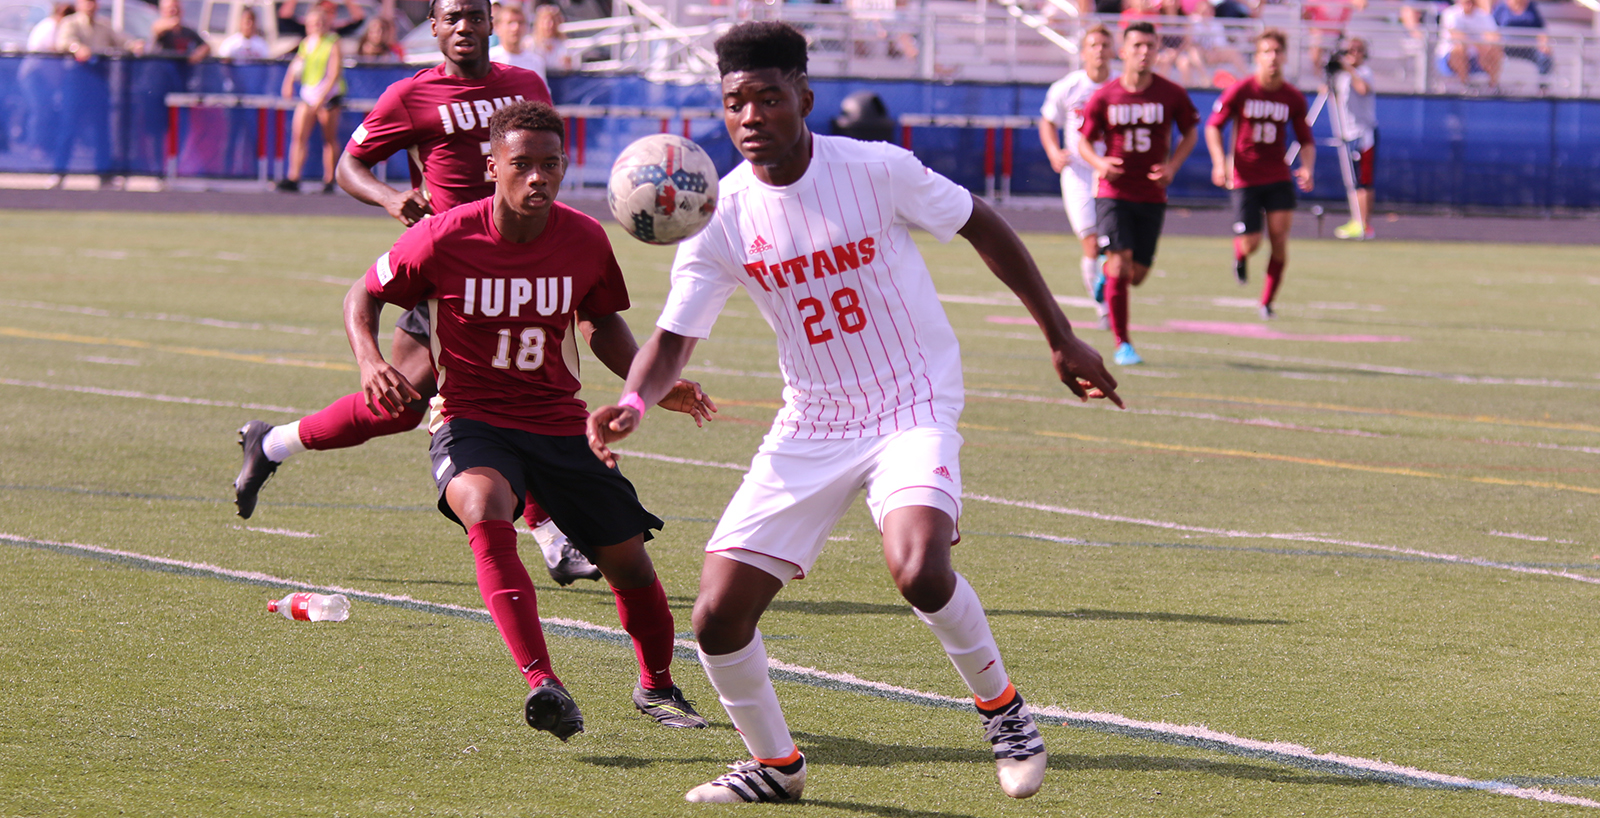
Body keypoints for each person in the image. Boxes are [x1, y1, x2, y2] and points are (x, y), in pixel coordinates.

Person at [586, 20, 1124, 804]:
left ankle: (1005, 712)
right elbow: (671, 339)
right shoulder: (720, 215)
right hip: (812, 419)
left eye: (769, 98)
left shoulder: (875, 170)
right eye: (736, 102)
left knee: (916, 566)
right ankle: (776, 766)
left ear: (804, 97)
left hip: (912, 399)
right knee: (716, 617)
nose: (751, 117)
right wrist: (636, 398)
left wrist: (1062, 334)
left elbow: (982, 222)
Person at [350, 99, 715, 740]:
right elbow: (364, 293)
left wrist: (651, 385)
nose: (538, 178)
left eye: (552, 164)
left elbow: (600, 322)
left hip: (558, 422)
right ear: (492, 167)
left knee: (628, 563)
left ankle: (656, 686)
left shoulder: (584, 237)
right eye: (522, 165)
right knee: (485, 506)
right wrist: (368, 359)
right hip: (472, 419)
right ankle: (543, 682)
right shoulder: (443, 236)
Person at [233, 0, 593, 587]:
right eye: (451, 17)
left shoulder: (525, 82)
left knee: (405, 408)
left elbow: (542, 156)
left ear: (491, 21)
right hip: (452, 274)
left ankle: (270, 443)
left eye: (474, 15)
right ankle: (554, 539)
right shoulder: (409, 95)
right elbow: (351, 165)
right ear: (433, 26)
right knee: (509, 395)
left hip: (521, 267)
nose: (464, 27)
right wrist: (388, 197)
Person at [1076, 21, 1199, 366]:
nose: (1145, 52)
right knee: (1120, 262)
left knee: (1138, 275)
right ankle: (1122, 343)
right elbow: (1082, 141)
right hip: (1113, 191)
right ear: (1124, 51)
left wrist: (1172, 166)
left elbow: (1190, 132)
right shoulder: (1105, 96)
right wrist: (1100, 163)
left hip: (1152, 193)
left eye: (1151, 46)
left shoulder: (1172, 93)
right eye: (1138, 46)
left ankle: (1106, 272)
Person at [1204, 28, 1313, 320]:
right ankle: (1240, 254)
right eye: (1267, 52)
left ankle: (1266, 302)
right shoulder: (1241, 90)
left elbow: (1306, 139)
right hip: (1245, 176)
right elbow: (1213, 126)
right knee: (1252, 242)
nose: (1273, 57)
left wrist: (1307, 167)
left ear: (1285, 56)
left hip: (1277, 175)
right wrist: (1219, 162)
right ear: (1257, 57)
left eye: (1278, 51)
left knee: (1279, 237)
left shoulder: (1292, 96)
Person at [1038, 24, 1112, 329]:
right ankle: (1103, 308)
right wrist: (1054, 152)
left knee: (1115, 246)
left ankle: (1107, 293)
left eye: (1104, 45)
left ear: (1113, 51)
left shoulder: (1120, 87)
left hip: (1110, 170)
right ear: (1083, 52)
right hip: (1079, 172)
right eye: (1093, 45)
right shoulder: (1068, 87)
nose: (1099, 50)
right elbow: (1047, 121)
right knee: (1091, 243)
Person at [53, 0, 143, 189]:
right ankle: (59, 173)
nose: (90, 5)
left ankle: (104, 175)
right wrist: (77, 48)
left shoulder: (104, 25)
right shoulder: (71, 23)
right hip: (76, 81)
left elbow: (122, 40)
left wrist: (134, 45)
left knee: (101, 130)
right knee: (68, 128)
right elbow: (63, 42)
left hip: (99, 82)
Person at [278, 5, 345, 193]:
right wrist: (288, 83)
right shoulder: (307, 43)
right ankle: (294, 176)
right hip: (309, 94)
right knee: (299, 135)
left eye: (321, 22)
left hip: (328, 96)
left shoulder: (333, 42)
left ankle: (330, 179)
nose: (317, 26)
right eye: (314, 22)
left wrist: (321, 98)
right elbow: (296, 64)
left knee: (329, 138)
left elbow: (334, 73)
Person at [1331, 37, 1377, 240]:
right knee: (1353, 180)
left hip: (1363, 132)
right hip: (1347, 133)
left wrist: (1349, 69)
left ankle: (1364, 224)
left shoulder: (1364, 73)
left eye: (1358, 50)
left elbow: (1363, 88)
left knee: (1363, 181)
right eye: (1349, 50)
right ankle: (1356, 219)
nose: (1353, 54)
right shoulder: (1341, 76)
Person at [1438, 0, 1502, 90]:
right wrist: (1479, 45)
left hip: (1478, 55)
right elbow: (1456, 35)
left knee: (1495, 50)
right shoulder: (1450, 13)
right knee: (1459, 49)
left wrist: (1487, 46)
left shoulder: (1483, 15)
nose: (1469, 3)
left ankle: (1493, 87)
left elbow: (1494, 36)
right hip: (1450, 56)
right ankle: (1464, 85)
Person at [1491, 0, 1554, 79]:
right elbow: (1492, 28)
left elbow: (1541, 29)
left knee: (1544, 57)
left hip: (1528, 48)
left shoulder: (1532, 7)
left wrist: (1544, 44)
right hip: (1506, 48)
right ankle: (1494, 85)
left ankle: (1543, 88)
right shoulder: (1501, 7)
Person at [489, 3, 547, 78]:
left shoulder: (536, 62)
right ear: (497, 27)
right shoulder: (489, 59)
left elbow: (540, 89)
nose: (516, 28)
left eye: (520, 22)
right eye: (510, 22)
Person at [277, 0, 366, 40]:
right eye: (323, 11)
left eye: (330, 11)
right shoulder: (306, 36)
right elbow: (284, 17)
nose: (325, 16)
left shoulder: (334, 38)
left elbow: (359, 19)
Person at [528, 4, 571, 73]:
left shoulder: (564, 44)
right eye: (547, 21)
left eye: (553, 21)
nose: (550, 25)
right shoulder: (529, 44)